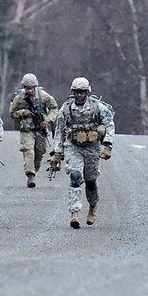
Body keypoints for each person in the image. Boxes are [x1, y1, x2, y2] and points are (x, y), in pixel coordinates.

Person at [49, 77, 115, 229]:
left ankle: (92, 207)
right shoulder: (66, 109)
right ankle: (75, 213)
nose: (79, 95)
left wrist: (108, 145)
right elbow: (58, 131)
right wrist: (57, 153)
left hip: (92, 147)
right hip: (73, 146)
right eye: (77, 92)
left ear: (87, 92)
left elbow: (109, 124)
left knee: (90, 181)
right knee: (75, 177)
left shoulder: (97, 107)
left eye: (82, 92)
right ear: (73, 92)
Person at [7, 73, 58, 187]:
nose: (29, 90)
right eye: (27, 88)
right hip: (27, 130)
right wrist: (22, 113)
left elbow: (54, 108)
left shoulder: (43, 96)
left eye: (31, 88)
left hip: (40, 129)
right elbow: (12, 112)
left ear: (35, 86)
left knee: (40, 152)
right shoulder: (19, 98)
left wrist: (47, 120)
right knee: (28, 150)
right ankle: (31, 176)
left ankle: (34, 170)